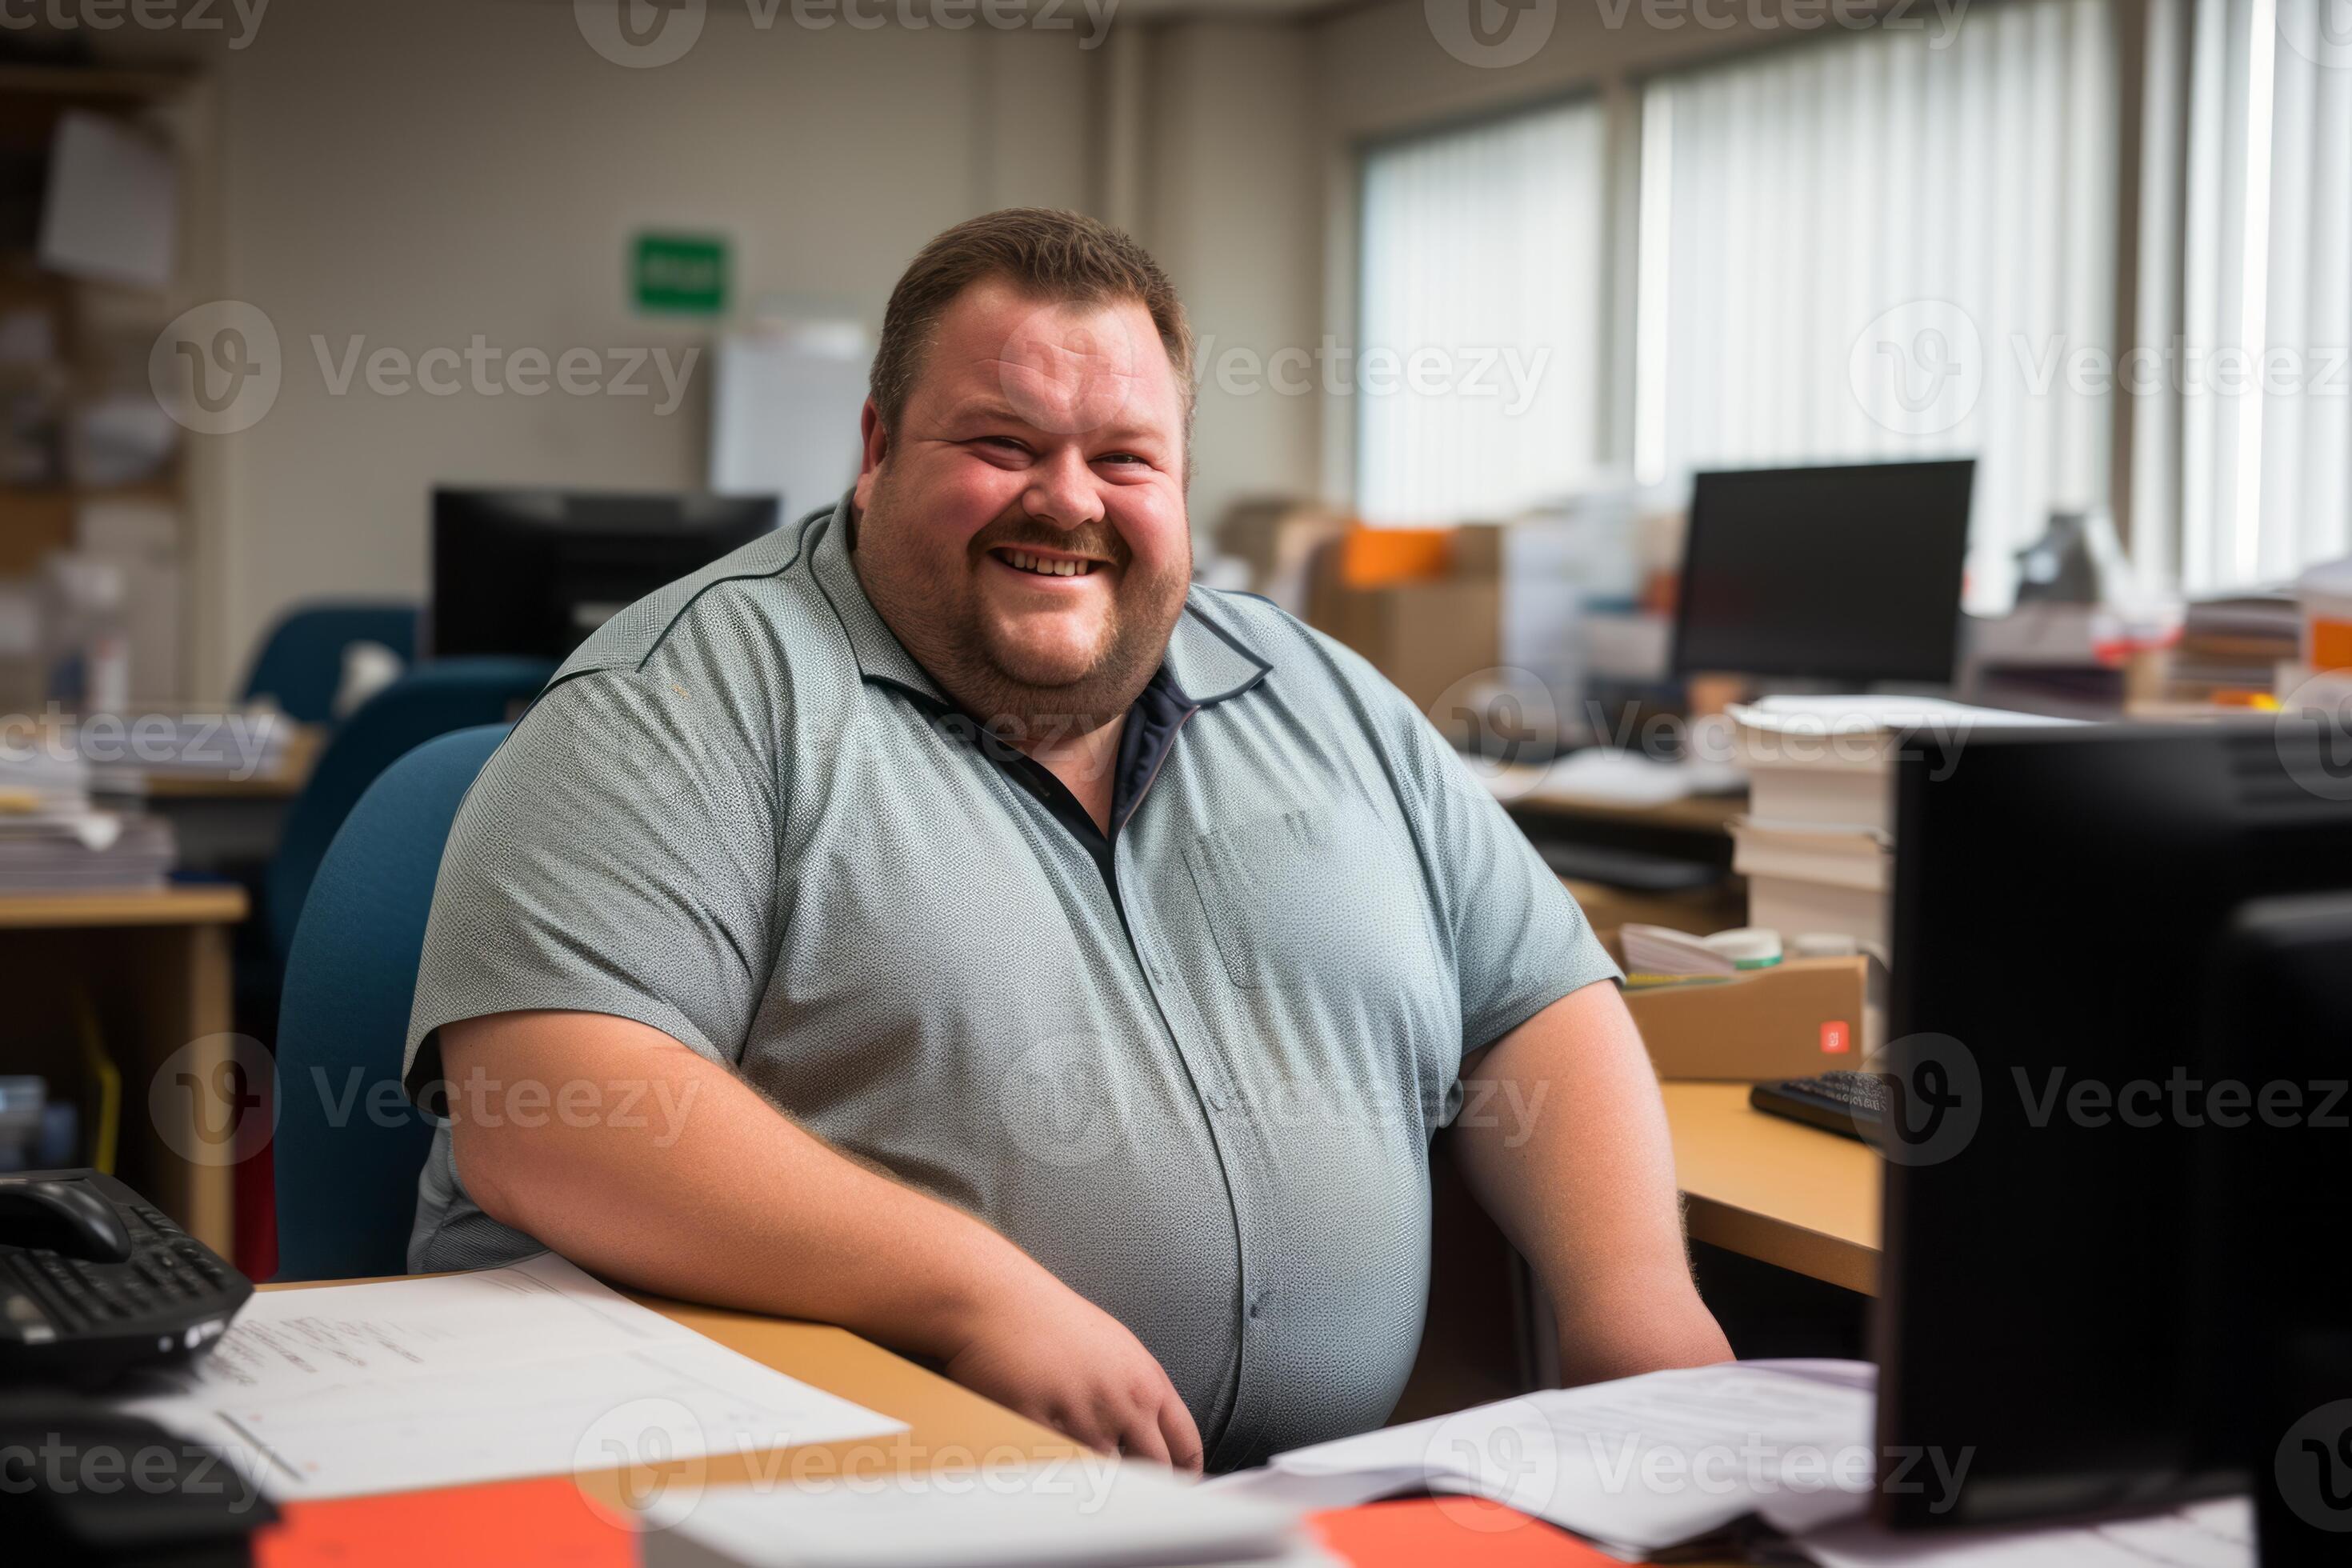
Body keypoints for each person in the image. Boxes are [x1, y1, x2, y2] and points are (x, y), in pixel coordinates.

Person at [400, 207, 1731, 1474]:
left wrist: (1633, 1303)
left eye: (1125, 459)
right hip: (799, 1504)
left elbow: (1535, 995)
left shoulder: (1321, 695)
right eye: (1001, 443)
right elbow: (547, 1108)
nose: (1067, 502)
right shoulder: (687, 697)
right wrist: (971, 1296)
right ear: (876, 445)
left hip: (1285, 1514)